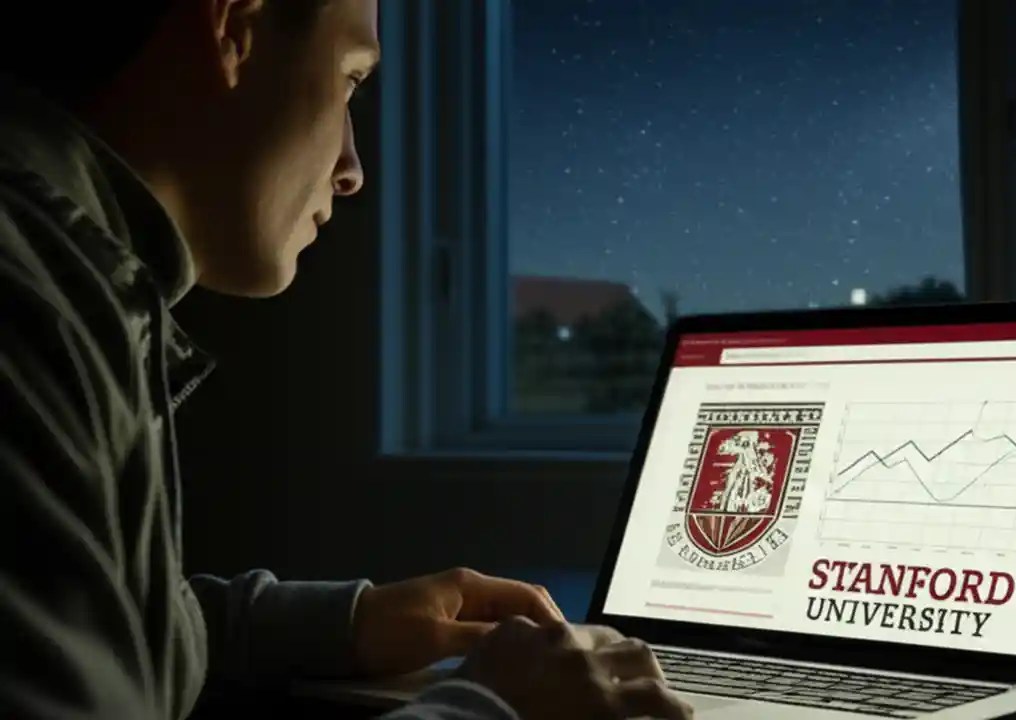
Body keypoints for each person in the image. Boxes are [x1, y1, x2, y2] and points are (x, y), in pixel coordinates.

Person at [0, 1, 693, 718]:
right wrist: (497, 708)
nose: (353, 169)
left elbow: (102, 623)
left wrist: (350, 625)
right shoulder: (26, 313)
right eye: (352, 79)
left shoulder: (76, 286)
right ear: (235, 26)